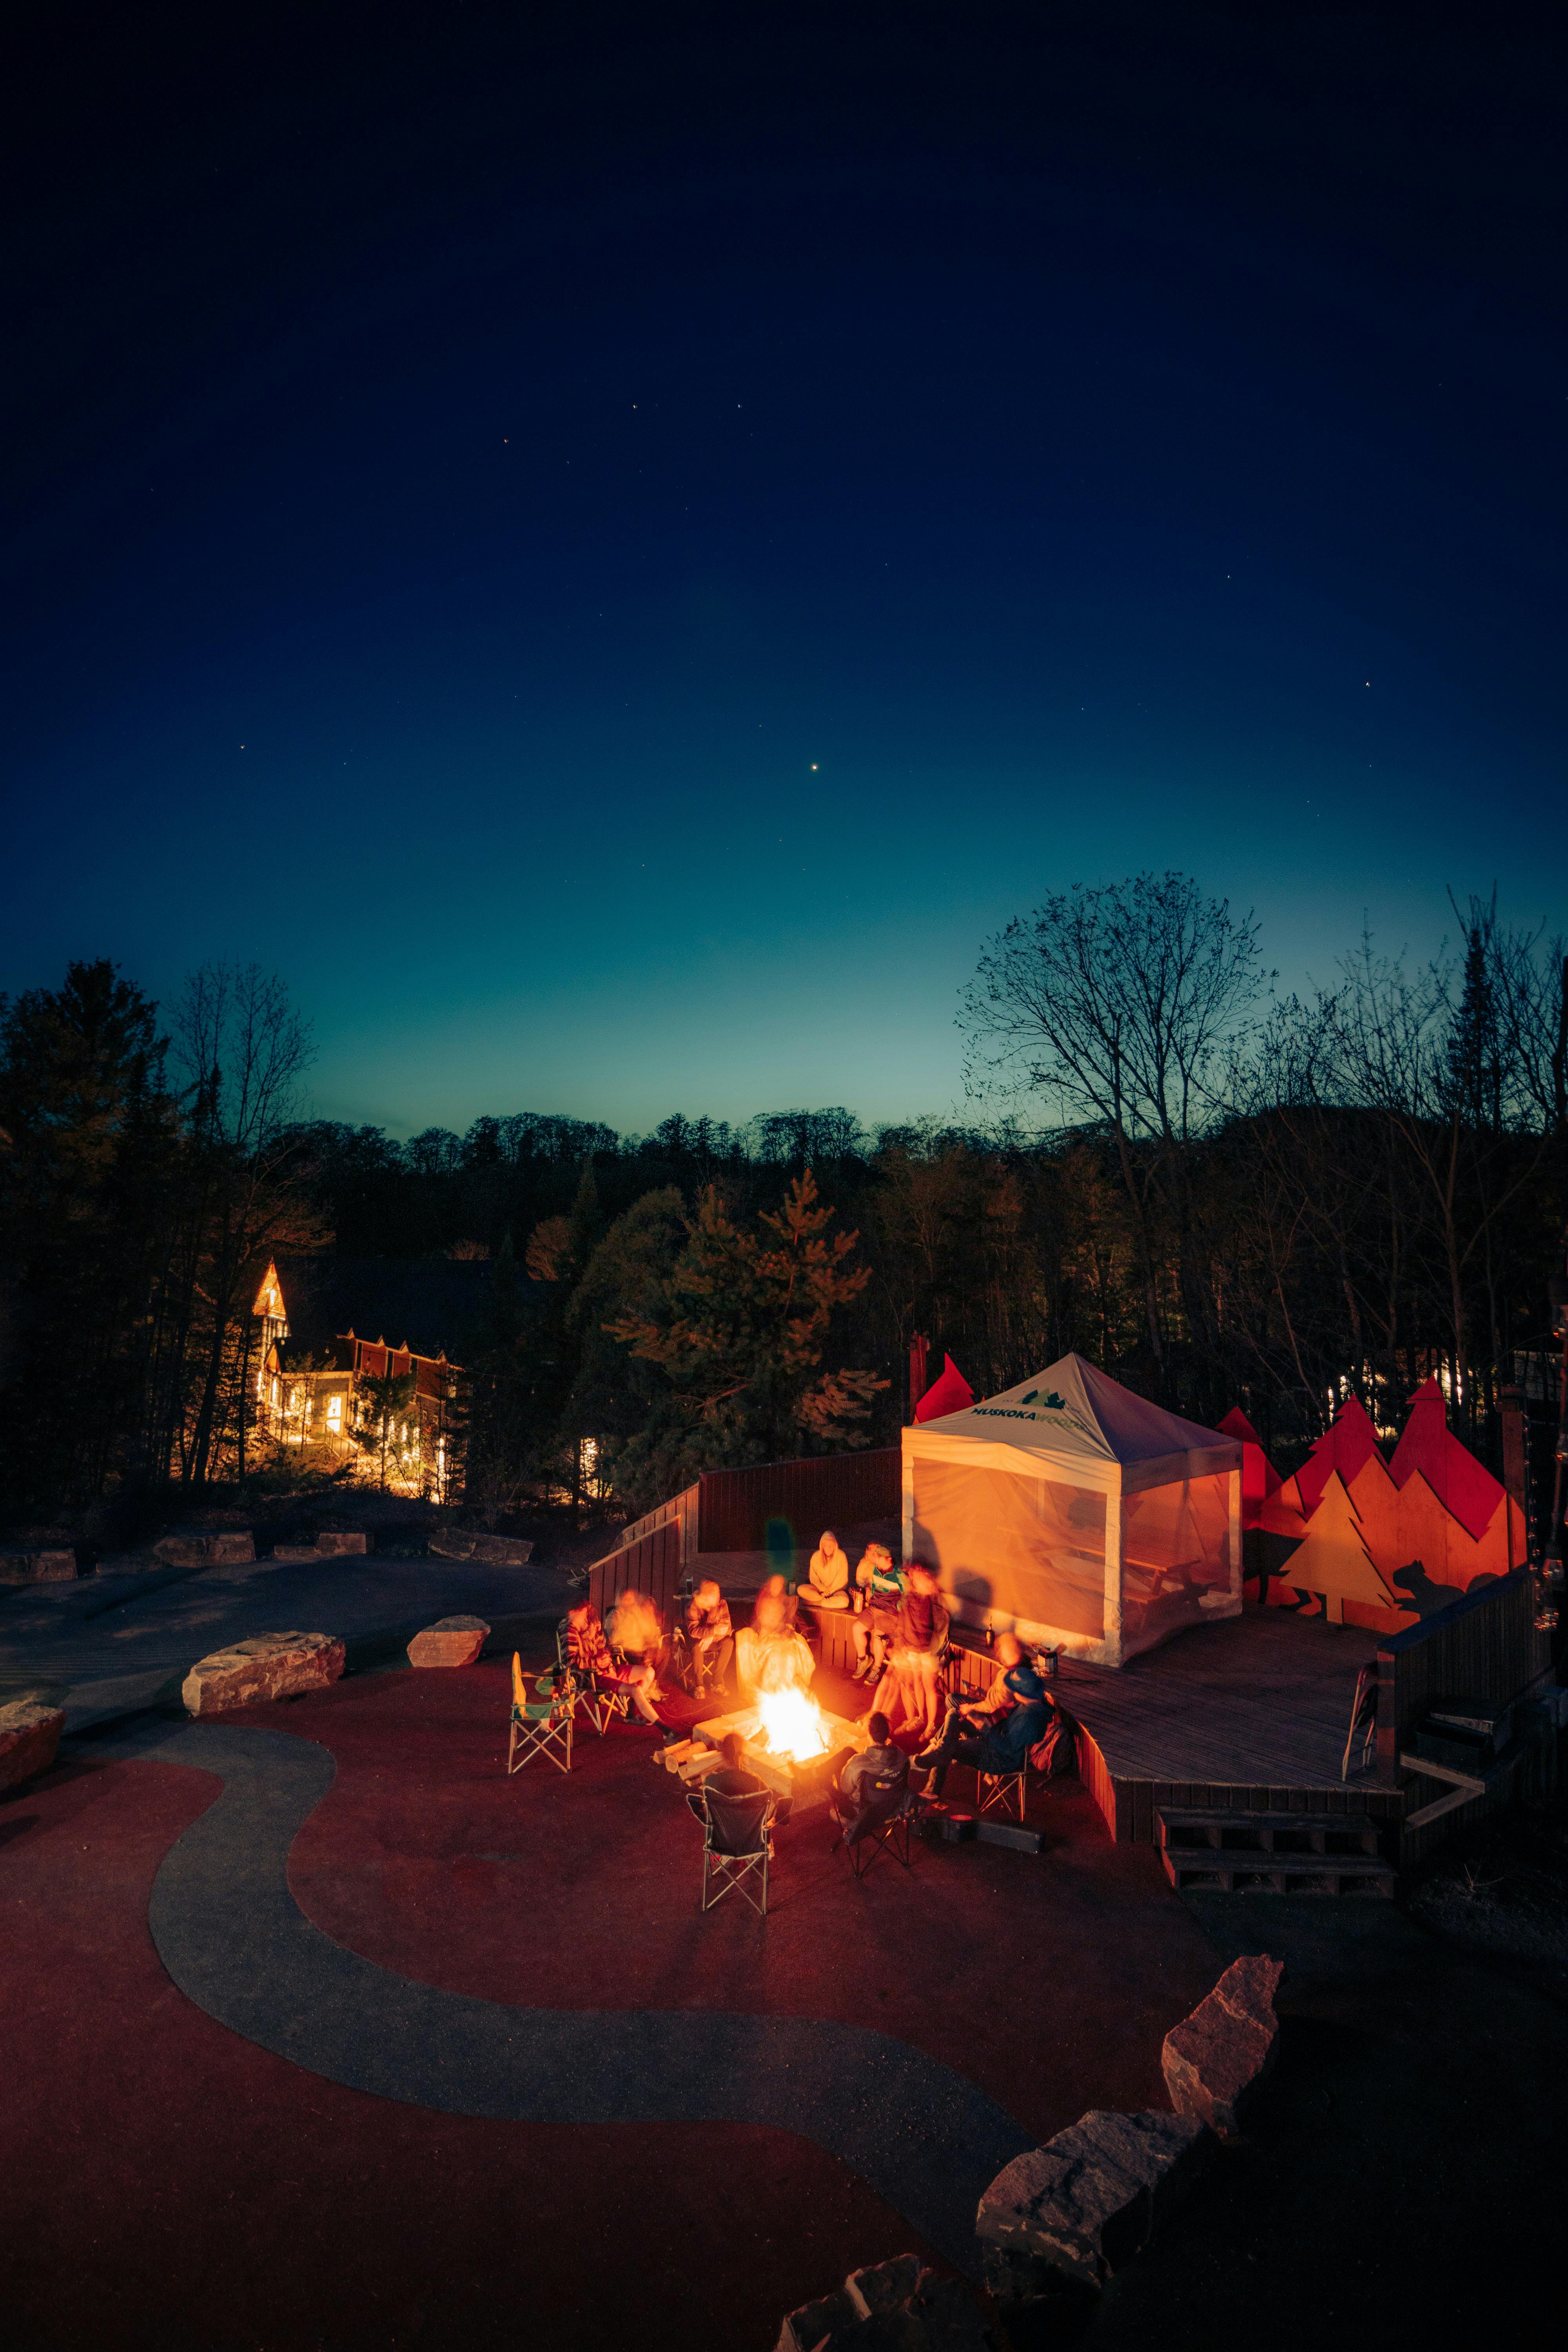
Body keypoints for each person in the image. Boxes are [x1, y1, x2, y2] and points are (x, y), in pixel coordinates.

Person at [913, 1634, 1050, 1797]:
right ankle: (939, 1754)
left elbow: (1006, 1748)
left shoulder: (1028, 1719)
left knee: (950, 1741)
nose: (1012, 1692)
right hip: (995, 1740)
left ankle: (936, 1769)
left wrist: (984, 1727)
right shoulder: (1028, 1707)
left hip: (997, 1758)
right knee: (953, 1716)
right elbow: (1006, 1729)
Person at [868, 1563, 949, 1742]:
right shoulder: (910, 1597)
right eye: (914, 1577)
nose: (912, 1579)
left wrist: (915, 1645)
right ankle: (916, 1719)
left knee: (928, 1686)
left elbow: (927, 1626)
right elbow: (903, 1621)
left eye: (917, 1577)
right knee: (910, 1684)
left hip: (927, 1650)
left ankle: (931, 1726)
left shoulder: (929, 1600)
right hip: (911, 1648)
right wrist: (901, 1643)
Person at [566, 1595, 662, 1727]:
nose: (585, 1617)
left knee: (649, 1672)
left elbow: (604, 1648)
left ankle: (632, 1713)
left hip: (609, 1669)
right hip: (593, 1677)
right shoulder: (570, 1631)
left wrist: (599, 1640)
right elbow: (572, 1662)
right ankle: (663, 1727)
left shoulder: (590, 1627)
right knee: (635, 1688)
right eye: (583, 1614)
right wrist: (597, 1662)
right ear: (572, 1613)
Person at [828, 1713, 909, 1851]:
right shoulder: (902, 1756)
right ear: (888, 1732)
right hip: (895, 1809)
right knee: (849, 1753)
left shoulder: (857, 1763)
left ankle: (855, 1827)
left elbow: (845, 1789)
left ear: (869, 1734)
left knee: (833, 1809)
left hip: (866, 1816)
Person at [734, 1590, 814, 1700]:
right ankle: (772, 1694)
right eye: (768, 1612)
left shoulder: (786, 1632)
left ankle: (790, 1690)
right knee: (777, 1652)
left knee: (792, 1646)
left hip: (786, 1669)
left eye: (776, 1612)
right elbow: (758, 1649)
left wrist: (786, 1639)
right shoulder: (754, 1637)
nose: (773, 1615)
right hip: (765, 1674)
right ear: (760, 1615)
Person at [686, 1730, 768, 1829]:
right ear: (741, 1754)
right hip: (747, 1832)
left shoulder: (710, 1781)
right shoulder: (755, 1781)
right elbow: (766, 1802)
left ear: (723, 1754)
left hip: (722, 1832)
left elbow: (707, 1808)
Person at [851, 1544, 903, 1682]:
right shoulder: (876, 1570)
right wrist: (870, 1588)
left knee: (878, 1636)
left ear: (888, 1559)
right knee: (857, 1628)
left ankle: (876, 1669)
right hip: (874, 1608)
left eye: (878, 1558)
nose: (875, 1560)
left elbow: (908, 1597)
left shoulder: (899, 1575)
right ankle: (863, 1659)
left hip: (889, 1613)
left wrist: (897, 1607)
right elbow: (874, 1585)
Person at [683, 1579, 733, 1696]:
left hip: (713, 1640)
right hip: (697, 1641)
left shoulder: (722, 1604)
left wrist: (712, 1636)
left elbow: (728, 1628)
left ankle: (717, 1683)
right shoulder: (693, 1606)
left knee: (729, 1643)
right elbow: (693, 1631)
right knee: (697, 1647)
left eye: (718, 1592)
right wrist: (713, 1630)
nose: (718, 1595)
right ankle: (699, 1686)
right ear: (705, 1596)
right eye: (715, 1594)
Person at [800, 1529, 850, 1610]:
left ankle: (816, 1603)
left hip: (836, 1591)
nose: (829, 1548)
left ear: (835, 1546)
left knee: (845, 1602)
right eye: (826, 1545)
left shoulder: (841, 1556)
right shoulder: (816, 1557)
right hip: (819, 1590)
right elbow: (814, 1579)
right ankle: (824, 1601)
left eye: (831, 1546)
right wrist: (824, 1591)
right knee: (801, 1590)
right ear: (822, 1546)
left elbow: (842, 1580)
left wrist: (829, 1592)